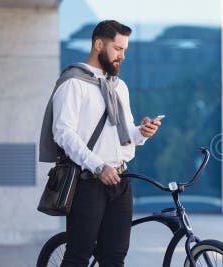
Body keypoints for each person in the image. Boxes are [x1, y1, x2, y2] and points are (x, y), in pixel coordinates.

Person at [49, 20, 160, 266]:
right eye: (117, 49)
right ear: (99, 45)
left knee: (115, 257)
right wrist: (98, 166)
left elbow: (125, 134)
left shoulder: (119, 86)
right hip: (88, 181)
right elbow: (63, 133)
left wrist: (142, 132)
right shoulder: (73, 83)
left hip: (121, 180)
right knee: (78, 256)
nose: (122, 56)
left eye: (125, 50)